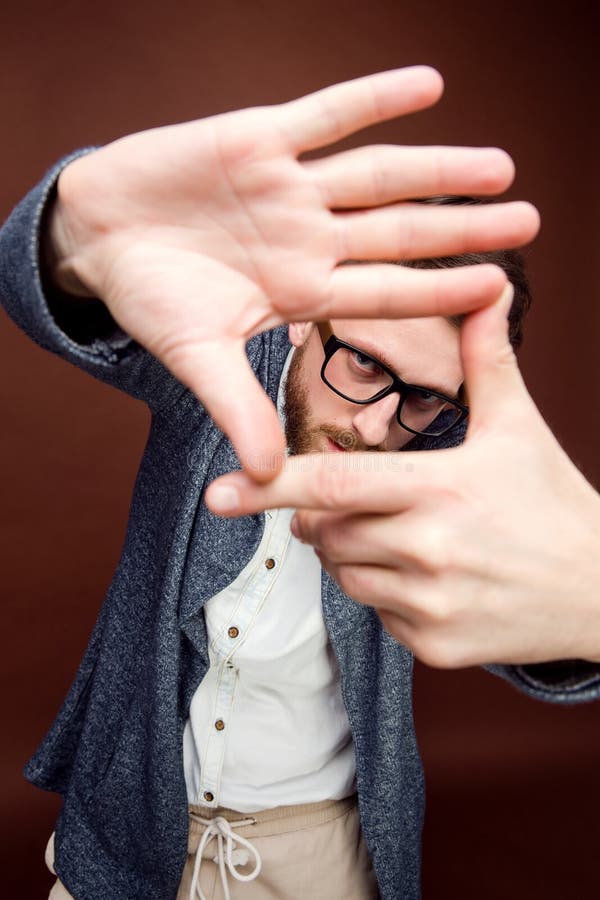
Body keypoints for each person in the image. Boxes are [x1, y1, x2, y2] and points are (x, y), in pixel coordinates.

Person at [1, 66, 596, 900]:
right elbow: (56, 309)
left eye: (422, 395)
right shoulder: (219, 361)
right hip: (128, 826)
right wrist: (69, 235)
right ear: (304, 314)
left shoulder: (443, 451)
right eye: (363, 362)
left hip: (323, 850)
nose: (381, 425)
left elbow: (529, 608)